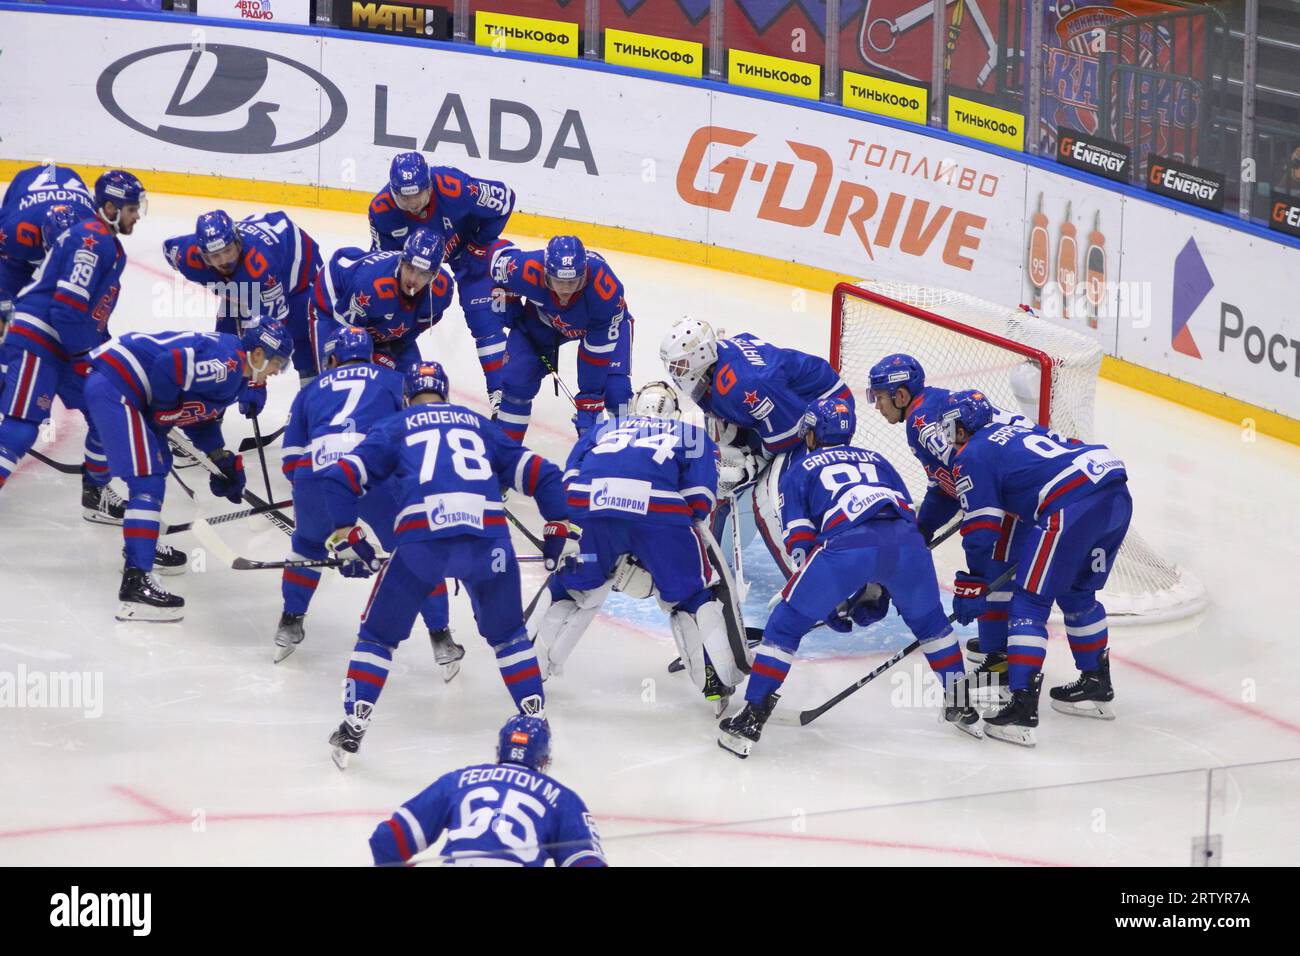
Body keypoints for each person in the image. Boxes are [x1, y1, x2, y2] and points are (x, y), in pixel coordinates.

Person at [315, 360, 575, 768]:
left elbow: (339, 478)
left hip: (423, 544)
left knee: (378, 638)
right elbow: (543, 474)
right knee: (509, 636)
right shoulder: (478, 425)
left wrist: (347, 535)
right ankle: (535, 720)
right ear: (447, 395)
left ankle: (354, 724)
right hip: (488, 541)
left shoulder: (395, 426)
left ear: (406, 399)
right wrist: (559, 524)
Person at [718, 396, 981, 758]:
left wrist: (826, 599)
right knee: (933, 625)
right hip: (908, 547)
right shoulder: (880, 460)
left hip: (848, 546)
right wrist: (883, 586)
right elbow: (907, 517)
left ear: (812, 434)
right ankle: (962, 703)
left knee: (785, 624)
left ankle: (751, 717)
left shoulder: (801, 469)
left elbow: (799, 542)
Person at [530, 381, 749, 713]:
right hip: (658, 513)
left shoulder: (603, 428)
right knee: (691, 595)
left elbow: (569, 480)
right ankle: (715, 683)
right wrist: (659, 546)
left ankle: (530, 669)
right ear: (674, 411)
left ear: (636, 406)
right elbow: (700, 500)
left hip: (588, 507)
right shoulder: (691, 434)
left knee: (571, 588)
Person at [942, 389, 1130, 747]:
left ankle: (1022, 709)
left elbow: (981, 532)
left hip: (1071, 505)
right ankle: (1096, 684)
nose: (950, 438)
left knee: (1029, 601)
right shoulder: (1019, 431)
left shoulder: (972, 455)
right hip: (1116, 493)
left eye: (950, 429)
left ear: (960, 427)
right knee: (1078, 593)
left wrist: (976, 581)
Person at [275, 325, 456, 670]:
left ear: (331, 359)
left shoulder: (310, 390)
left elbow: (290, 461)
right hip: (372, 475)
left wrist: (312, 501)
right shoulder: (391, 380)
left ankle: (289, 621)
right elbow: (415, 439)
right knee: (416, 550)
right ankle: (441, 637)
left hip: (316, 476)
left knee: (306, 546)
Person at [83, 323, 293, 620]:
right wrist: (164, 411)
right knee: (148, 480)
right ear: (258, 354)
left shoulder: (236, 375)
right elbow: (169, 365)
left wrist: (219, 456)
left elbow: (198, 416)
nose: (277, 371)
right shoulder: (227, 365)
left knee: (157, 469)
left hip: (118, 385)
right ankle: (136, 585)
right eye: (278, 363)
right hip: (116, 387)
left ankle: (140, 543)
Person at [659, 317, 854, 582]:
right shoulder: (717, 366)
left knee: (768, 500)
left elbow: (790, 432)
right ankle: (713, 560)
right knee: (721, 480)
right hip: (785, 411)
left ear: (702, 355)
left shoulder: (749, 384)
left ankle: (810, 583)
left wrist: (752, 461)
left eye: (681, 365)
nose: (676, 372)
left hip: (821, 415)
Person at [0, 170, 145, 524]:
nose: (137, 215)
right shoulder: (91, 242)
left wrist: (94, 356)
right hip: (41, 337)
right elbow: (65, 309)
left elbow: (86, 314)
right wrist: (84, 357)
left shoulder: (103, 241)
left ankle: (96, 494)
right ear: (109, 207)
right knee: (23, 424)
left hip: (64, 345)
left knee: (106, 412)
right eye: (131, 209)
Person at [369, 152, 515, 403]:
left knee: (483, 317)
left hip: (468, 251)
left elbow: (505, 199)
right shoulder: (381, 210)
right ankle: (390, 372)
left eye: (417, 195)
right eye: (404, 198)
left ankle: (501, 395)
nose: (413, 203)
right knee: (391, 311)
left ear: (429, 185)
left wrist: (478, 243)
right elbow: (385, 261)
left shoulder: (454, 186)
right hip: (416, 264)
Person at [369, 714, 606, 866]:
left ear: (498, 751)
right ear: (544, 761)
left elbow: (386, 840)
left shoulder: (458, 781)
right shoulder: (562, 799)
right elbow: (587, 863)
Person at [489, 236, 632, 443]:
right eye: (559, 281)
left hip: (601, 326)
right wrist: (505, 308)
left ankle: (628, 452)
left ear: (584, 275)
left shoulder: (606, 293)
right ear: (546, 273)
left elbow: (594, 357)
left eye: (573, 282)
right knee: (516, 380)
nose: (565, 289)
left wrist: (589, 402)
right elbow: (496, 265)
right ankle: (505, 454)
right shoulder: (525, 269)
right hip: (544, 323)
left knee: (616, 393)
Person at [163, 209, 321, 382]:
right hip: (243, 282)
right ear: (202, 256)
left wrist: (255, 383)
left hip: (297, 271)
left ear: (239, 243)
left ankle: (310, 383)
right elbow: (168, 248)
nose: (224, 261)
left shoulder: (262, 268)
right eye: (215, 256)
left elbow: (273, 328)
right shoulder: (187, 257)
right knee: (224, 342)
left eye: (228, 251)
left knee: (299, 329)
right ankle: (217, 394)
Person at [310, 228, 452, 374]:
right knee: (338, 376)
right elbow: (346, 336)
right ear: (401, 262)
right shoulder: (370, 287)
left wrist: (391, 349)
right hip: (336, 299)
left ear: (433, 276)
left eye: (423, 274)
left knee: (411, 379)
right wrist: (374, 356)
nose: (413, 279)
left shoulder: (442, 291)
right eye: (410, 268)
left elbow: (415, 329)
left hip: (375, 312)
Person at [0, 162, 96, 325]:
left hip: (66, 180)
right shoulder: (14, 231)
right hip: (24, 185)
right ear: (42, 239)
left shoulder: (94, 228)